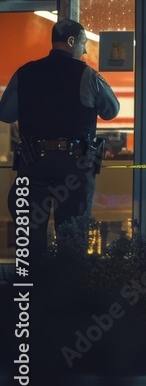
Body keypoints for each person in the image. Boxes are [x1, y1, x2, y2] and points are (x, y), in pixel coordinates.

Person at [1, 18, 120, 255]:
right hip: (73, 170)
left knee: (30, 241)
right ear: (72, 41)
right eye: (84, 43)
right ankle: (67, 289)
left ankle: (32, 289)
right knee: (72, 240)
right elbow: (111, 110)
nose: (85, 49)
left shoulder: (25, 73)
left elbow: (5, 113)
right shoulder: (86, 74)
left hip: (33, 165)